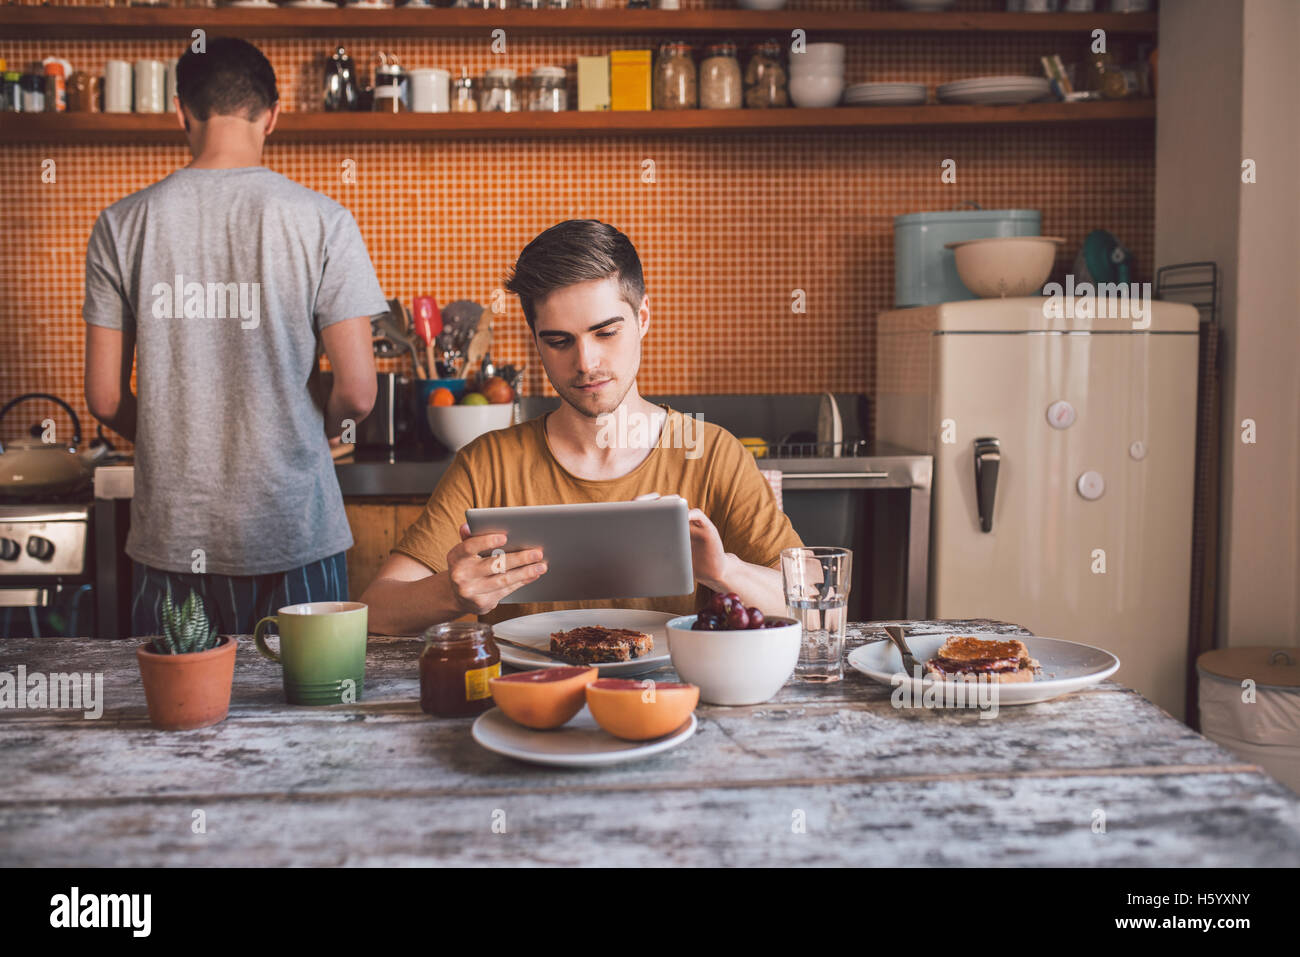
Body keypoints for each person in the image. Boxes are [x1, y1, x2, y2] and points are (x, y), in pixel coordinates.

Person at [362, 219, 803, 635]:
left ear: (643, 317)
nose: (586, 363)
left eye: (606, 332)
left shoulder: (711, 453)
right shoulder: (487, 464)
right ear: (536, 339)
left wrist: (722, 570)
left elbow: (810, 595)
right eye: (559, 341)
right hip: (527, 706)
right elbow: (377, 609)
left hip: (668, 707)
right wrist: (452, 592)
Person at [83, 37, 386, 635]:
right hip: (295, 533)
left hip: (174, 539)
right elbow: (358, 394)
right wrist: (303, 430)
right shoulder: (323, 221)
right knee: (315, 715)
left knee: (178, 719)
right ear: (272, 115)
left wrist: (175, 440)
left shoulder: (121, 224)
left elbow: (105, 399)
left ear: (180, 112)